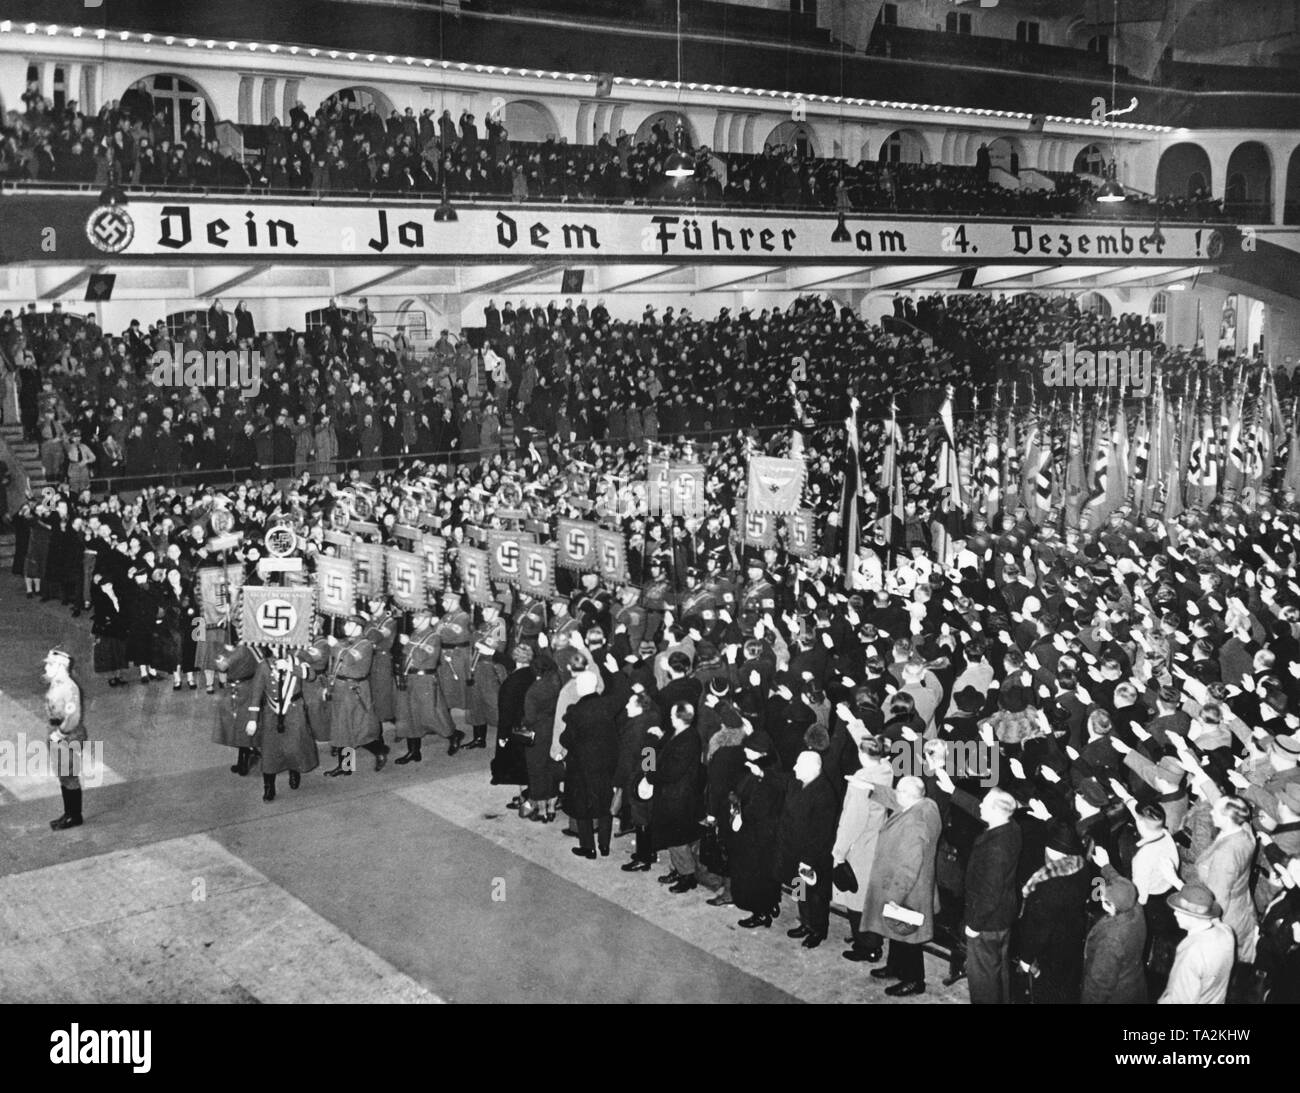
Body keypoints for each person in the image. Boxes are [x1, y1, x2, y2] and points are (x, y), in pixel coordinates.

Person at [939, 778, 1021, 1004]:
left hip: (987, 922)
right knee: (998, 973)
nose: (980, 805)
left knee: (982, 980)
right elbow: (979, 809)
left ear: (996, 811)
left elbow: (989, 893)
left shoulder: (996, 848)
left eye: (985, 803)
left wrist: (974, 925)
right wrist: (953, 791)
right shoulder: (1010, 826)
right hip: (1002, 917)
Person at [862, 775, 941, 996]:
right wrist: (873, 786)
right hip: (916, 886)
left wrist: (893, 897)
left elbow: (908, 867)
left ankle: (914, 980)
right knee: (898, 932)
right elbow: (900, 799)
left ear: (908, 796)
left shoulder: (914, 824)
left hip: (908, 890)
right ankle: (896, 967)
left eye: (898, 791)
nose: (895, 794)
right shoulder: (926, 805)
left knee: (908, 938)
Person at [1016, 820, 1090, 1004]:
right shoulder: (1082, 866)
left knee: (1044, 992)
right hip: (1072, 940)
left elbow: (1038, 929)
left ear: (1050, 851)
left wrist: (1026, 959)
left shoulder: (1048, 886)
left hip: (1050, 949)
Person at [834, 735, 894, 961]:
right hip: (876, 840)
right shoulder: (885, 770)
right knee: (869, 896)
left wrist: (839, 853)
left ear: (861, 755)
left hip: (859, 847)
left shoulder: (861, 780)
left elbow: (852, 821)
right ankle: (871, 939)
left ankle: (866, 946)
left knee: (856, 900)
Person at [559, 669, 625, 859]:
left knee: (582, 807)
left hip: (581, 768)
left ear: (580, 688)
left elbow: (566, 740)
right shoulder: (608, 704)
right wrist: (616, 671)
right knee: (605, 803)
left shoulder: (575, 712)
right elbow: (622, 694)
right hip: (606, 764)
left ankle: (588, 847)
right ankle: (604, 845)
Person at [778, 748, 840, 949]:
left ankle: (818, 930)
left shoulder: (824, 794)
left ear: (813, 769)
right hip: (795, 850)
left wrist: (808, 860)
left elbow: (821, 834)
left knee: (816, 895)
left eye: (799, 765)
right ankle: (805, 922)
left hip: (813, 856)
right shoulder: (797, 783)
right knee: (800, 889)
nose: (794, 768)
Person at [650, 700, 707, 893]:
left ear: (679, 719)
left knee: (677, 838)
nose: (670, 718)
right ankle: (677, 869)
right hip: (672, 794)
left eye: (673, 715)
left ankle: (687, 876)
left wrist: (650, 774)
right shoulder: (679, 733)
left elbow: (672, 771)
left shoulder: (688, 740)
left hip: (678, 796)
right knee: (672, 835)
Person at [1158, 883, 1236, 1004]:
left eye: (1179, 911)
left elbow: (1180, 1000)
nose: (1175, 913)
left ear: (1194, 916)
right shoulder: (1226, 932)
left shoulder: (1191, 953)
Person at [1080, 870, 1147, 1004]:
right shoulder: (1136, 909)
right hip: (1134, 985)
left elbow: (1099, 985)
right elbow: (1123, 886)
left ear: (1112, 906)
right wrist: (1106, 866)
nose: (1100, 899)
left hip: (1116, 996)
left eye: (1104, 899)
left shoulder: (1111, 940)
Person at [45, 648, 86, 830]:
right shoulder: (57, 682)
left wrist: (59, 734)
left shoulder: (69, 687)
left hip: (69, 734)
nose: (47, 667)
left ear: (61, 666)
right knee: (64, 775)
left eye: (51, 664)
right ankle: (68, 813)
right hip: (59, 729)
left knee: (69, 775)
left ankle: (74, 816)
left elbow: (73, 716)